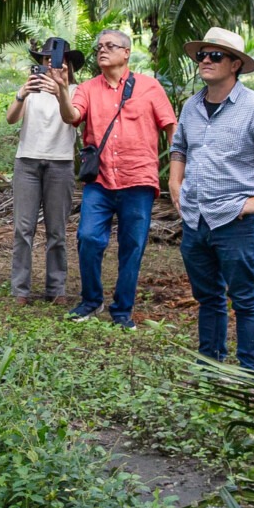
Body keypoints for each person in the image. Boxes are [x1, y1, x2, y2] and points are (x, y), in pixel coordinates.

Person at [170, 28, 254, 371]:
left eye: (216, 56)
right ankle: (210, 365)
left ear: (236, 64)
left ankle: (250, 372)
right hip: (195, 219)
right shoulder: (192, 106)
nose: (206, 61)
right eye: (202, 55)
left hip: (235, 220)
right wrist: (174, 181)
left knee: (244, 298)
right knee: (208, 298)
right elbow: (179, 147)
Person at [69, 28, 179, 327]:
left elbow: (171, 126)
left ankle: (122, 311)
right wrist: (57, 91)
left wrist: (180, 169)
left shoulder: (149, 87)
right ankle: (91, 300)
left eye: (110, 46)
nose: (102, 50)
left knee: (132, 246)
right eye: (99, 46)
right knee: (88, 238)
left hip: (139, 180)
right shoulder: (87, 88)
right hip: (100, 181)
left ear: (126, 52)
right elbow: (72, 116)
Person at [5, 51, 78, 303]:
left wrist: (61, 90)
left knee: (57, 230)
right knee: (23, 229)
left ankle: (56, 288)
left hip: (61, 163)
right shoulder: (31, 89)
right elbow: (11, 119)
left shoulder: (77, 91)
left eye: (57, 59)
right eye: (46, 59)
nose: (50, 63)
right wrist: (22, 93)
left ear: (68, 65)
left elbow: (73, 117)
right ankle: (20, 289)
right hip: (27, 162)